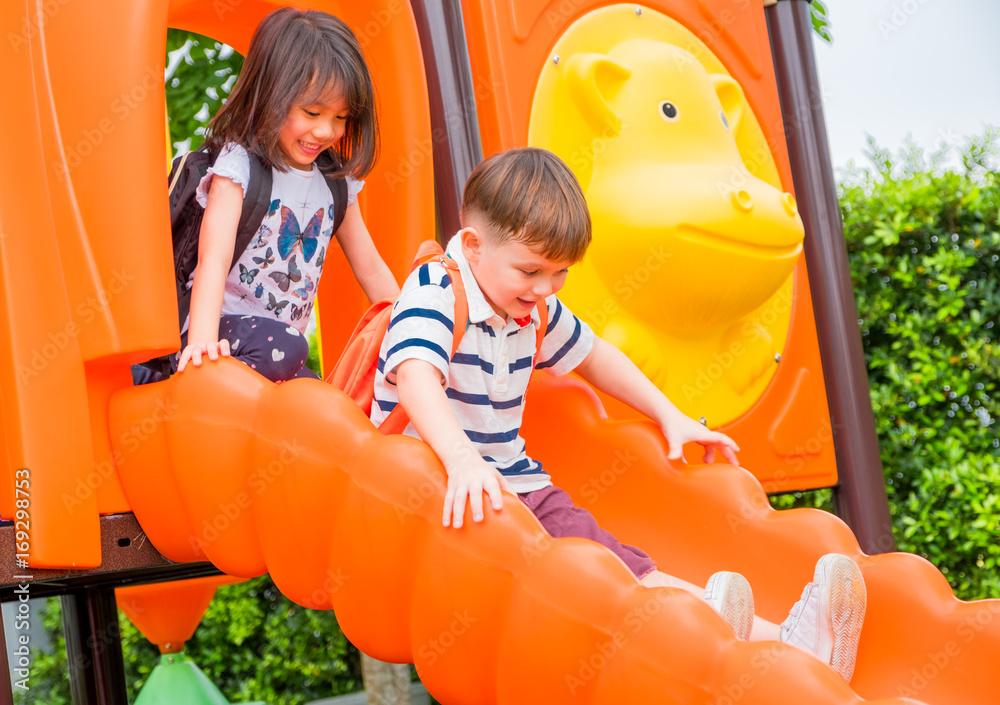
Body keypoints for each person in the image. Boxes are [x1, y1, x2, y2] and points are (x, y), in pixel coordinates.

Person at [370, 147, 867, 682]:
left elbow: (596, 356)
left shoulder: (531, 306)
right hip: (434, 487)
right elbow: (415, 373)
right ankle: (703, 630)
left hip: (513, 483)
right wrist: (463, 461)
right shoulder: (435, 291)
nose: (543, 288)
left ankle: (789, 645)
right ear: (472, 246)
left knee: (606, 559)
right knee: (582, 582)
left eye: (559, 274)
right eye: (530, 270)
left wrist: (669, 413)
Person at [172, 7, 397, 382]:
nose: (326, 131)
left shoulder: (335, 183)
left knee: (322, 399)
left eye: (341, 118)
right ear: (272, 94)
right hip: (219, 335)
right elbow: (214, 259)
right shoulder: (240, 167)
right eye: (312, 112)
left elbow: (371, 268)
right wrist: (201, 346)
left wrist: (416, 328)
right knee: (290, 348)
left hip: (277, 349)